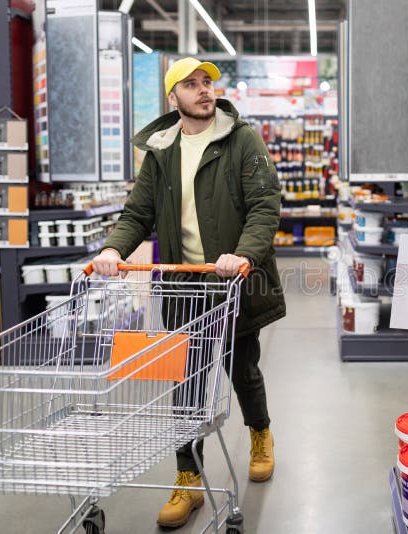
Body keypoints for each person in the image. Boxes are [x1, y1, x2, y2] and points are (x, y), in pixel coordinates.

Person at [91, 57, 286, 529]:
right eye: (191, 84)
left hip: (234, 280)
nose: (203, 90)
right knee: (186, 386)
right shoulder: (161, 151)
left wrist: (243, 255)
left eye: (207, 82)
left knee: (243, 368)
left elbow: (265, 205)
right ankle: (189, 479)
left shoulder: (242, 139)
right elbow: (138, 213)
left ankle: (260, 432)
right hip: (183, 286)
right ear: (172, 98)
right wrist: (113, 250)